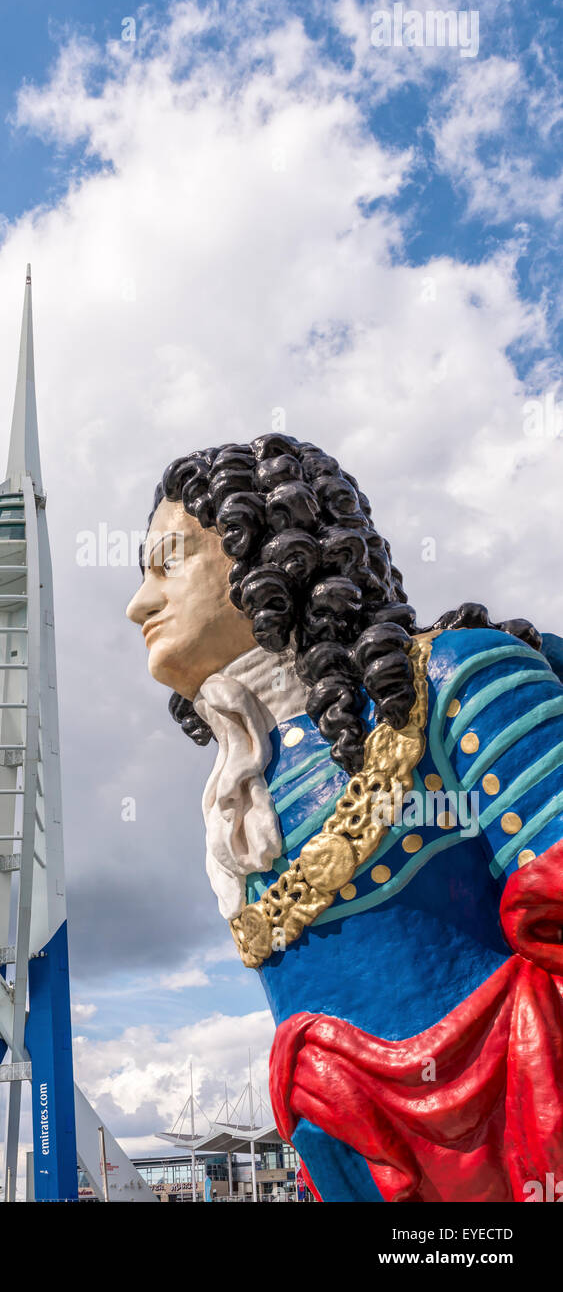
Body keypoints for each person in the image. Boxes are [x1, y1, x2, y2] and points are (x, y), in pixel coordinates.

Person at [126, 433, 563, 1203]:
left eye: (169, 562)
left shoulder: (451, 683)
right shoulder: (245, 788)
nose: (140, 604)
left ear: (267, 556)